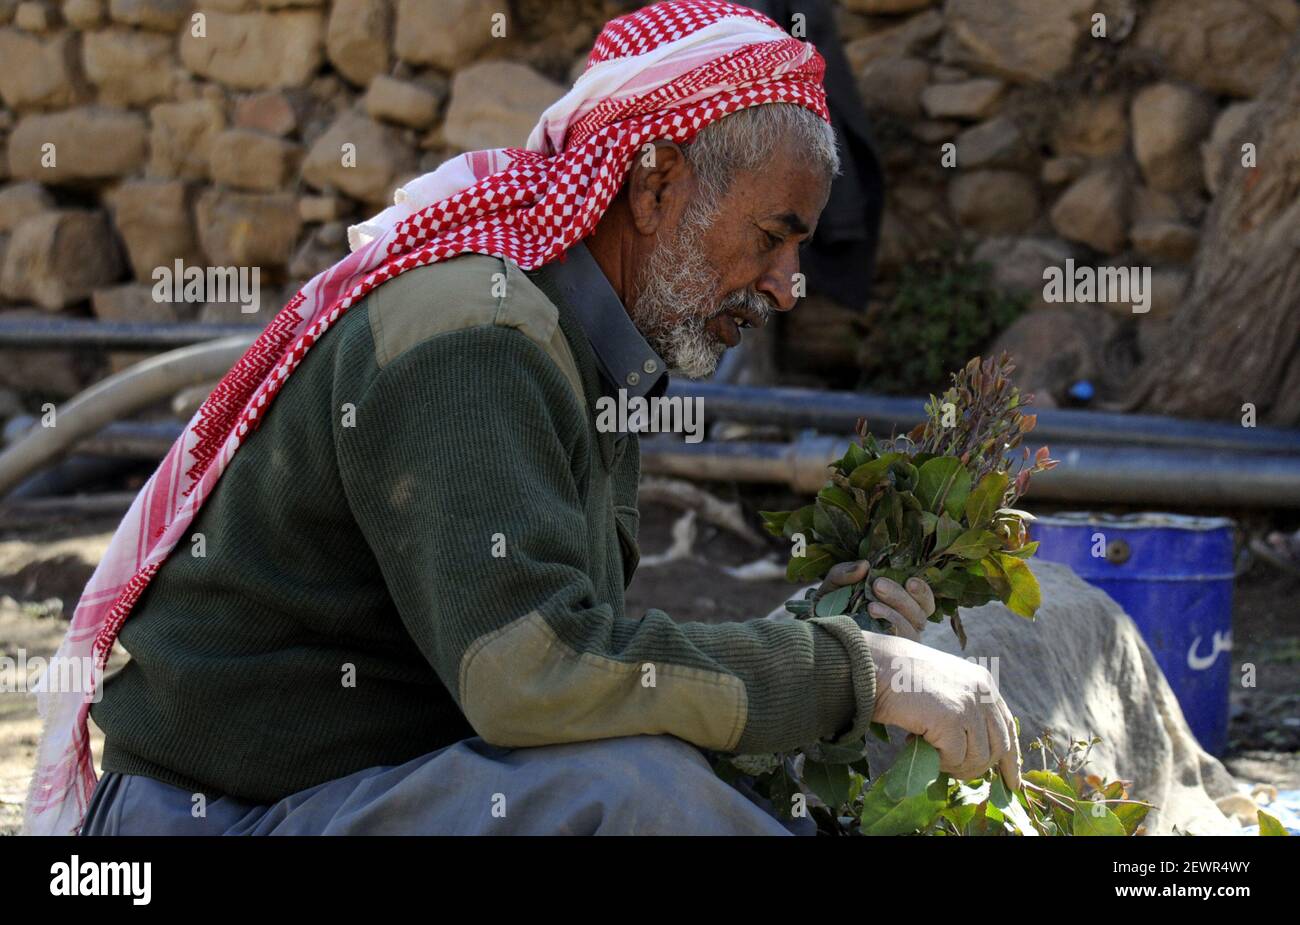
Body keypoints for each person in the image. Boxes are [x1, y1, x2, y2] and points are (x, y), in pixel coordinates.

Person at [27, 0, 1018, 837]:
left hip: (335, 793)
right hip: (225, 818)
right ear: (654, 183)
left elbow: (575, 652)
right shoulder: (479, 335)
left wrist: (804, 638)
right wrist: (860, 671)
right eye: (770, 237)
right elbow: (534, 675)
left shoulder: (580, 342)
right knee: (641, 797)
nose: (790, 286)